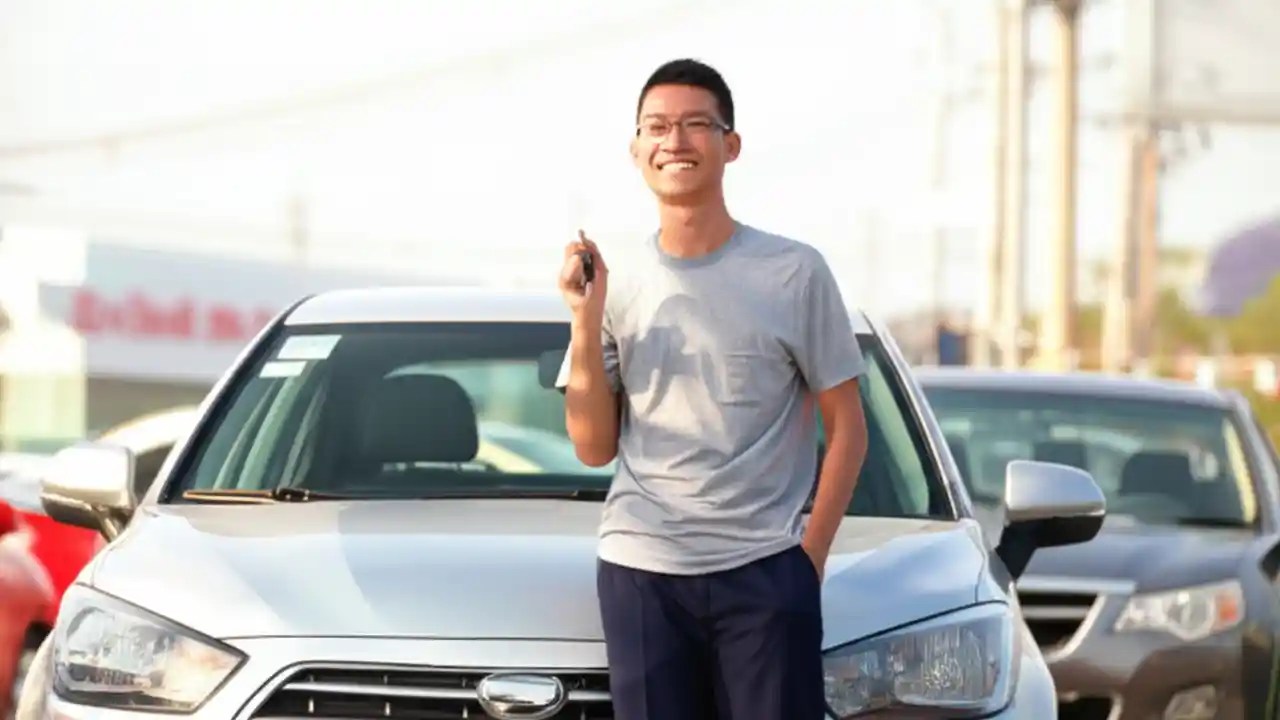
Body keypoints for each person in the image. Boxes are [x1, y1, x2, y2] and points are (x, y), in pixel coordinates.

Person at [556, 58, 869, 720]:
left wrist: (807, 560)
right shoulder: (617, 280)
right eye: (658, 126)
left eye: (697, 124)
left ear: (731, 145)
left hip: (764, 569)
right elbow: (591, 446)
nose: (676, 141)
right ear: (636, 148)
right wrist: (584, 320)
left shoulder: (794, 272)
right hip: (641, 569)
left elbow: (848, 428)